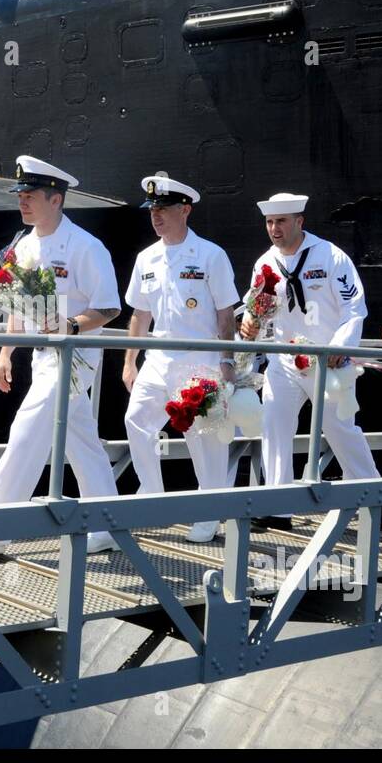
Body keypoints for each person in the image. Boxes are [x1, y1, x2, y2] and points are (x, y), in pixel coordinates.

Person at [0, 155, 123, 555]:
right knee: (81, 441)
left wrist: (70, 326)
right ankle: (107, 523)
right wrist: (5, 354)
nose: (22, 201)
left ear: (56, 200)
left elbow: (109, 307)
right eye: (21, 194)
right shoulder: (23, 246)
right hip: (41, 357)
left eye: (31, 194)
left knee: (29, 430)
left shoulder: (87, 247)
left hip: (76, 355)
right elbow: (18, 309)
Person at [239, 192, 379, 529]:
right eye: (270, 222)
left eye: (282, 221)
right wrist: (250, 323)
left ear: (299, 222)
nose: (275, 228)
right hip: (284, 360)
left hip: (324, 358)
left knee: (338, 428)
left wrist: (339, 348)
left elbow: (353, 310)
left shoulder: (330, 257)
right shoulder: (265, 264)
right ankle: (279, 504)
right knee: (274, 424)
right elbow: (261, 310)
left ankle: (374, 494)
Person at [122, 174, 239, 543]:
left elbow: (226, 315)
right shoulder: (146, 258)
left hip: (200, 357)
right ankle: (153, 496)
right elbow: (139, 315)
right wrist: (129, 361)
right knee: (136, 420)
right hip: (159, 356)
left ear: (184, 210)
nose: (155, 216)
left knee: (203, 438)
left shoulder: (211, 255)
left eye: (163, 209)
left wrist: (227, 361)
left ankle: (209, 511)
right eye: (152, 209)